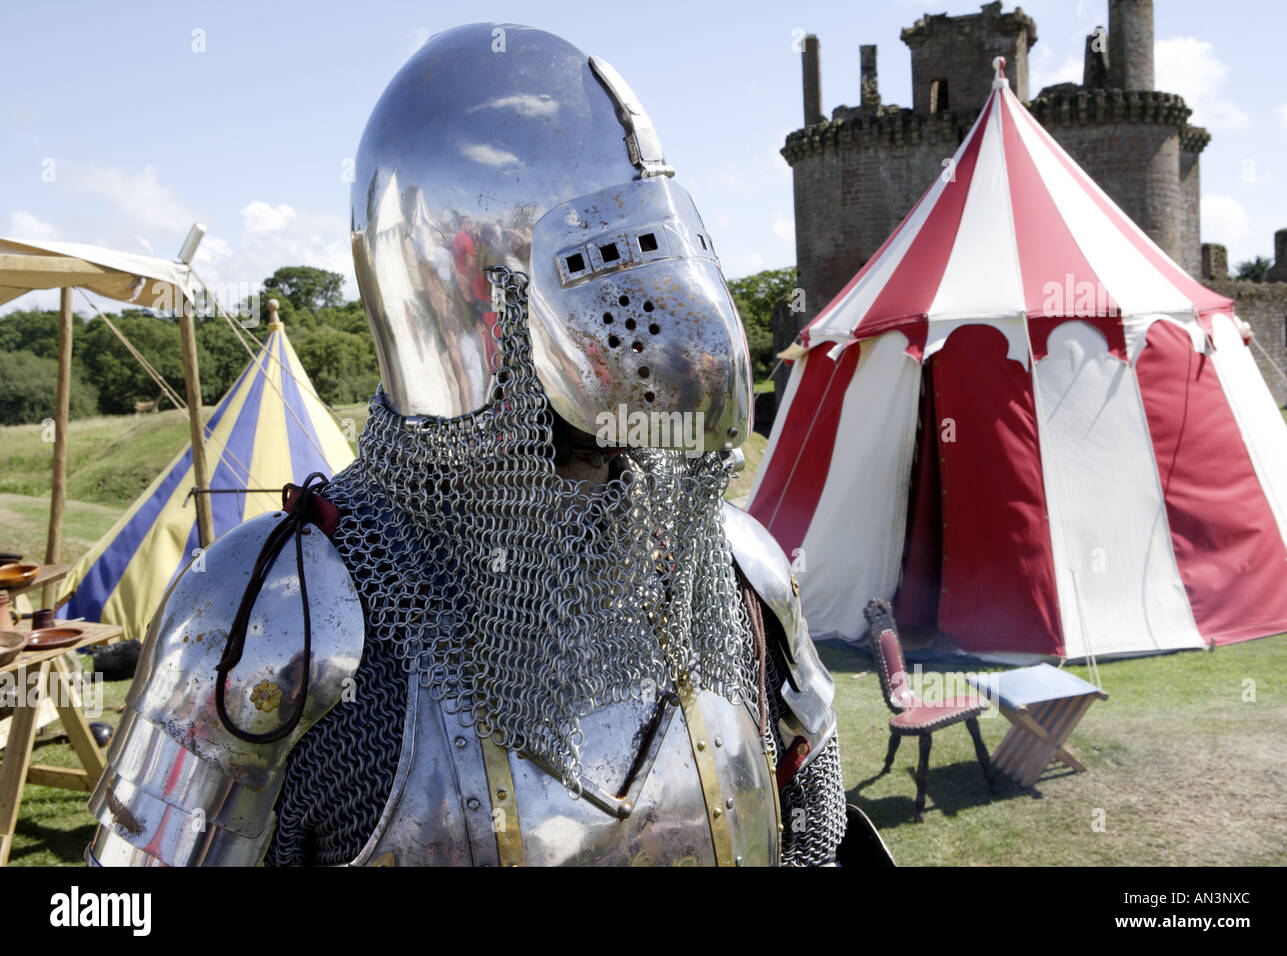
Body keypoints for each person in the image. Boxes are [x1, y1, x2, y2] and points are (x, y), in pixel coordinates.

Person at [85, 23, 872, 867]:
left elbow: (813, 834)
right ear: (468, 312)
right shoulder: (276, 623)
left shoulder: (734, 569)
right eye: (604, 274)